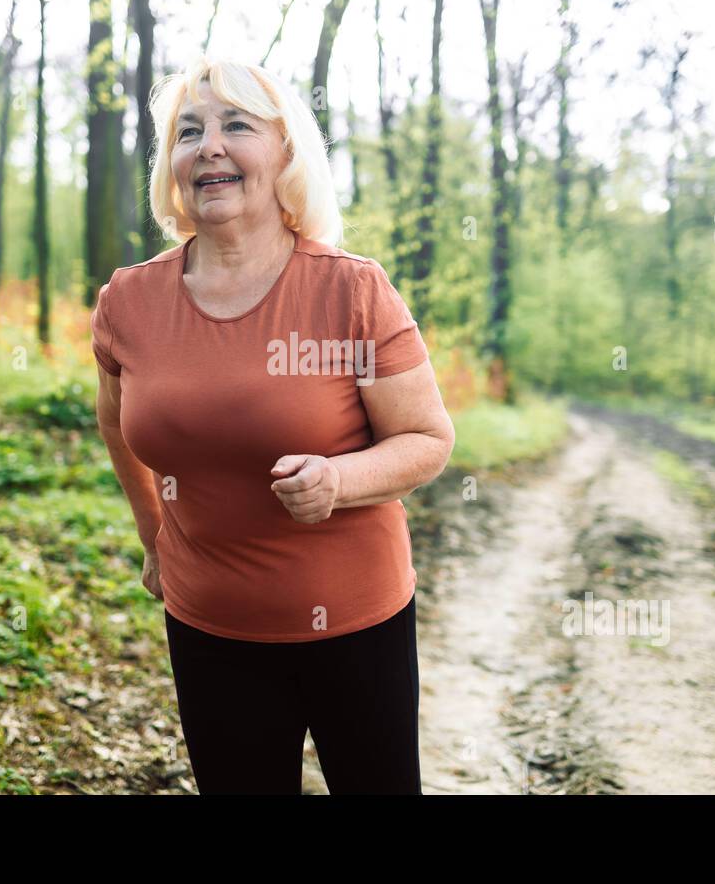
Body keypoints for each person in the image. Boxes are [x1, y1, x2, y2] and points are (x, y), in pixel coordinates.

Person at [88, 55, 455, 794]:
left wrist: (339, 479)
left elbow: (428, 440)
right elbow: (118, 427)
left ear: (285, 152)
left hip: (356, 623)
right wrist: (152, 534)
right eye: (189, 132)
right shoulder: (129, 301)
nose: (209, 146)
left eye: (237, 125)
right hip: (208, 624)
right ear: (172, 165)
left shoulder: (351, 289)